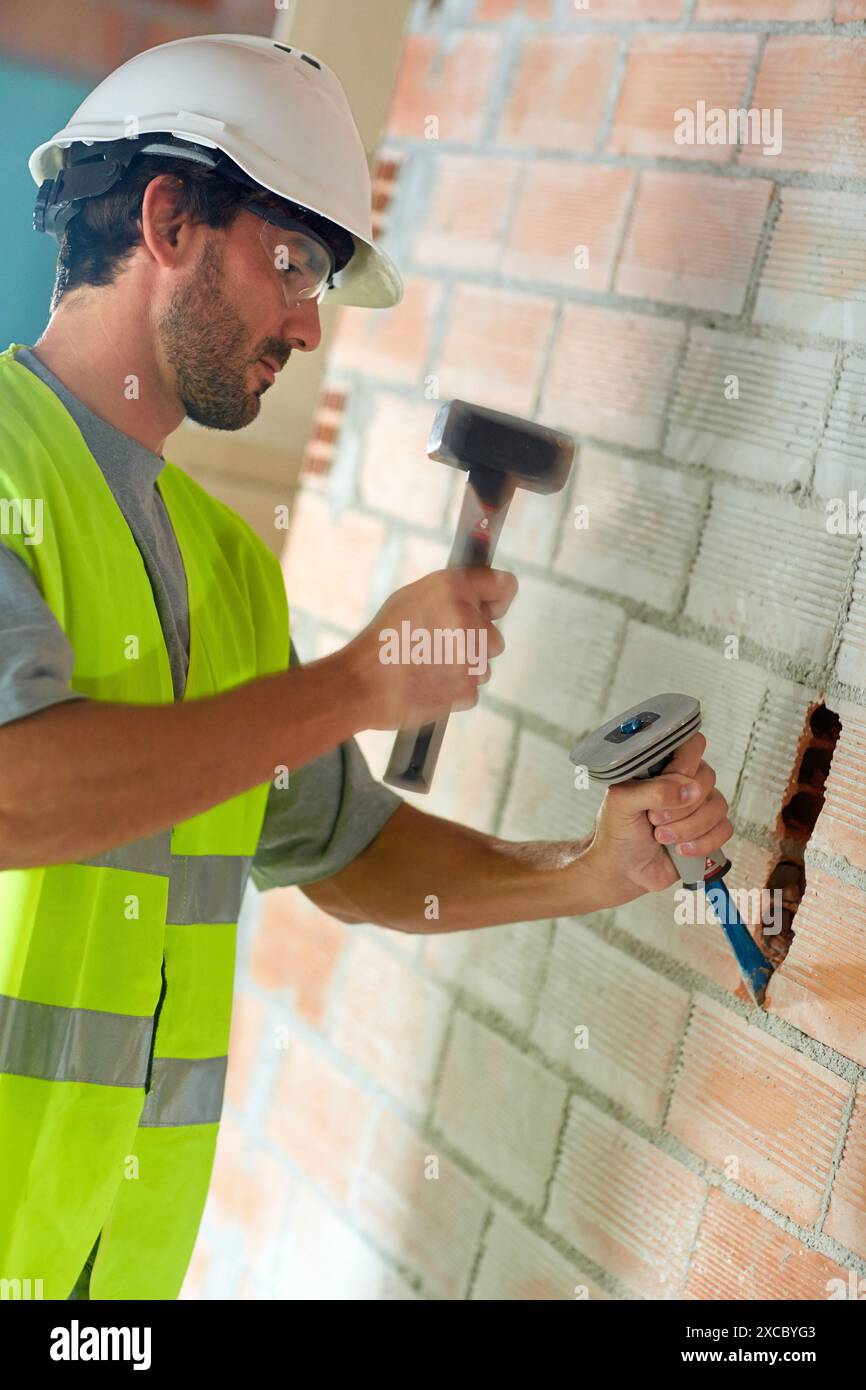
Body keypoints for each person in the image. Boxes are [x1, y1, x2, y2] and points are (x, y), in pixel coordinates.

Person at [0, 34, 732, 1301]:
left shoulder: (226, 571)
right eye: (292, 264)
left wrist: (586, 868)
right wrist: (356, 682)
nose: (307, 325)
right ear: (169, 217)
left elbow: (345, 851)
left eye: (322, 286)